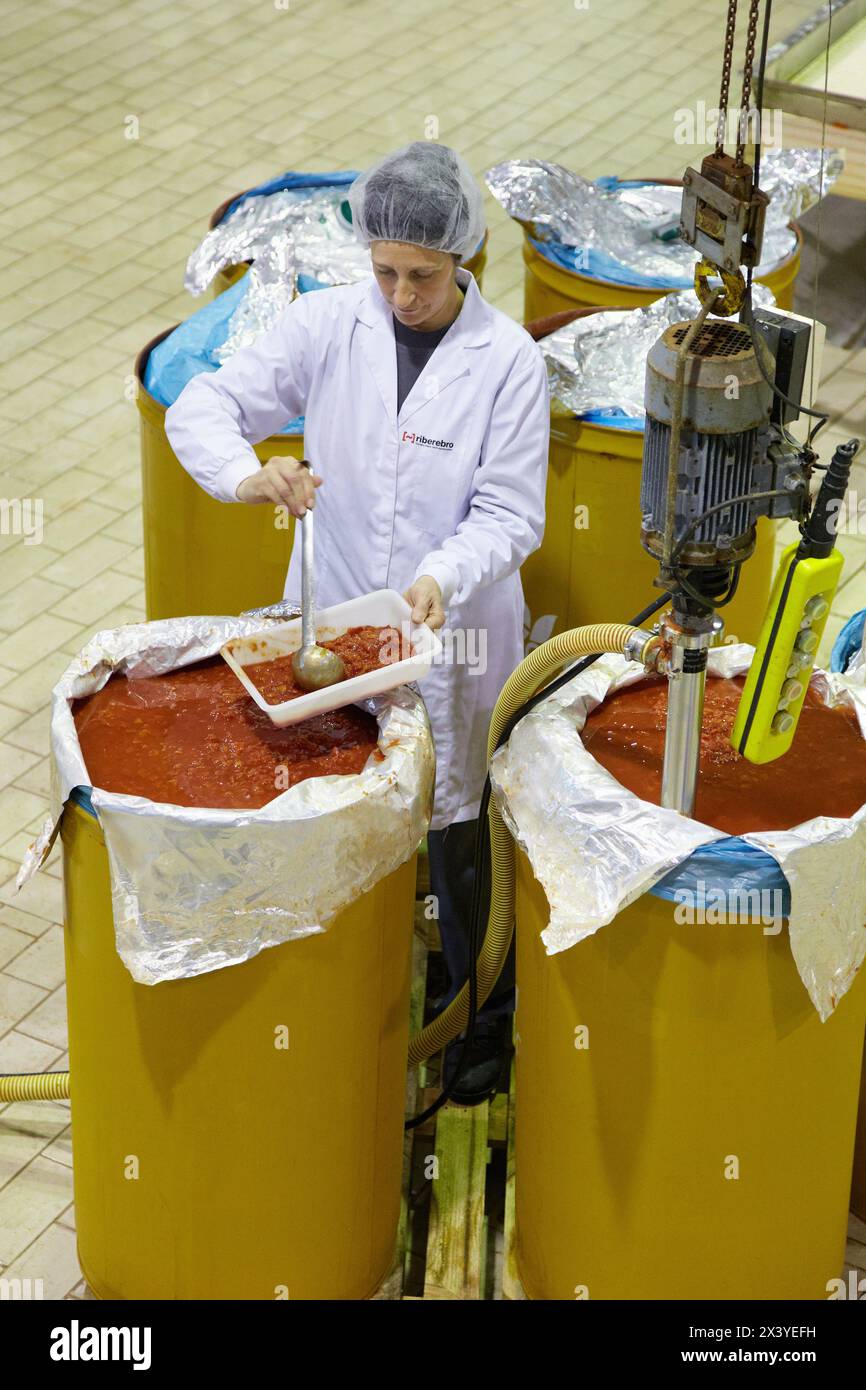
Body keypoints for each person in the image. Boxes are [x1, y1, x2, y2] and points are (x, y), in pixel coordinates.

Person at [166, 142, 549, 1102]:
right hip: (335, 631)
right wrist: (251, 474)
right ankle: (338, 1006)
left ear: (464, 258)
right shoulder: (331, 324)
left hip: (451, 638)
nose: (401, 294)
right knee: (343, 808)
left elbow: (510, 515)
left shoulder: (507, 363)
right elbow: (204, 403)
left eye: (421, 275)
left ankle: (476, 1030)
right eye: (384, 271)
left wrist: (438, 576)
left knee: (461, 831)